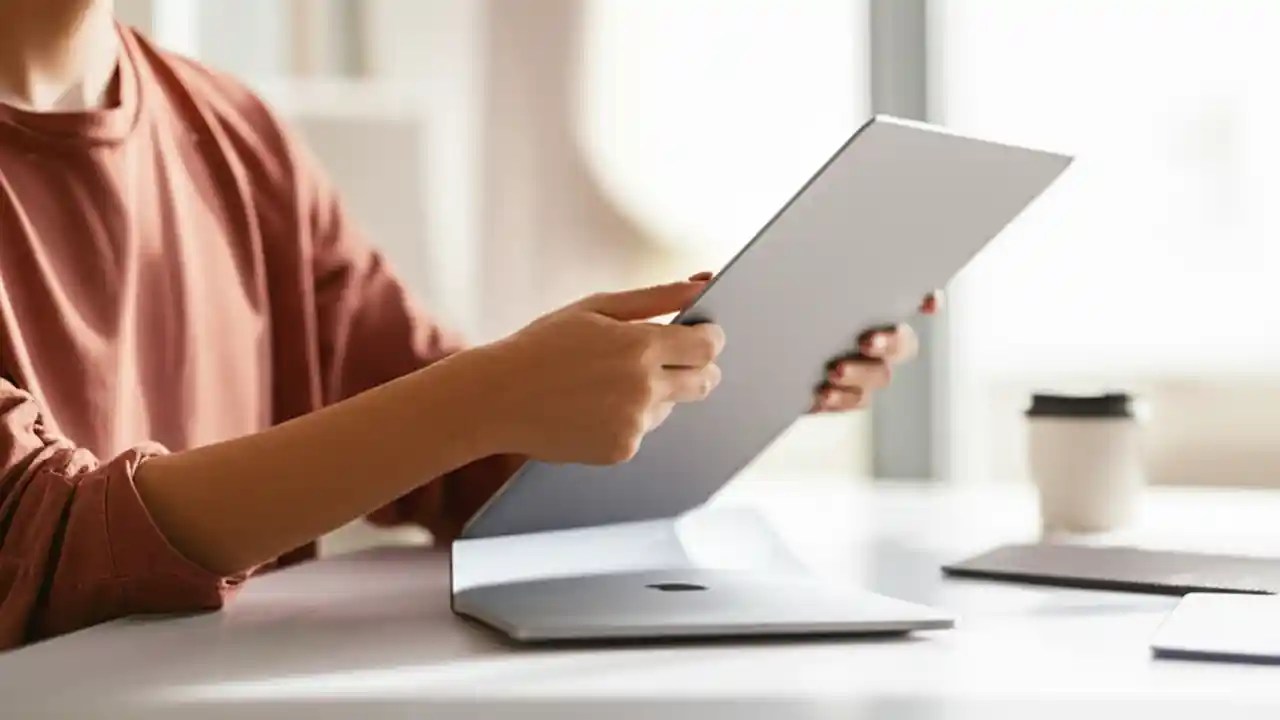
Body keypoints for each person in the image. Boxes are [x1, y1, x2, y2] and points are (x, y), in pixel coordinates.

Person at [0, 1, 936, 649]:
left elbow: (467, 466)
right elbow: (51, 545)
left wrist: (729, 354)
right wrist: (486, 396)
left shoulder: (236, 135)